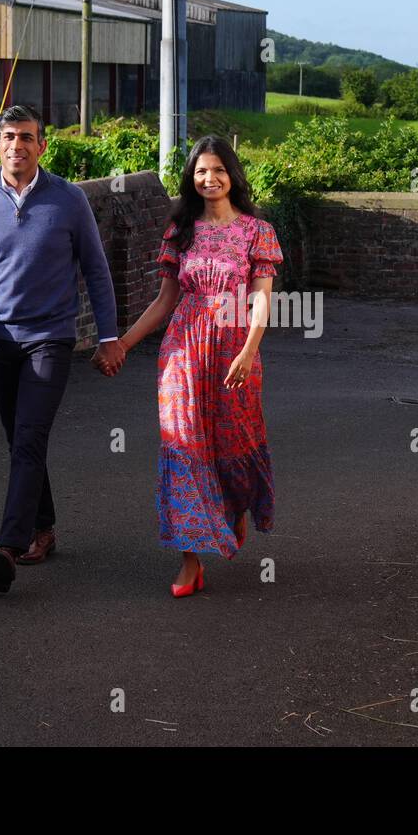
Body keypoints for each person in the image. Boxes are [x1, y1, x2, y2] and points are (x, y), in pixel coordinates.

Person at [0, 104, 125, 594]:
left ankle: (9, 545)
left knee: (28, 436)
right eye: (9, 136)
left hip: (51, 338)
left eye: (27, 137)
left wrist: (108, 337)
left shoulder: (68, 200)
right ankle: (43, 526)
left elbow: (96, 270)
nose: (17, 145)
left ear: (42, 146)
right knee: (21, 441)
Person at [113, 135, 282, 597]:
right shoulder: (179, 230)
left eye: (218, 170)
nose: (209, 178)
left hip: (234, 346)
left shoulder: (256, 232)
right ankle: (190, 561)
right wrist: (124, 343)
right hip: (183, 349)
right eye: (201, 171)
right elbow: (165, 300)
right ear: (191, 178)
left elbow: (262, 300)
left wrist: (248, 351)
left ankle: (235, 508)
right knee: (183, 445)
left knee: (234, 443)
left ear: (232, 175)